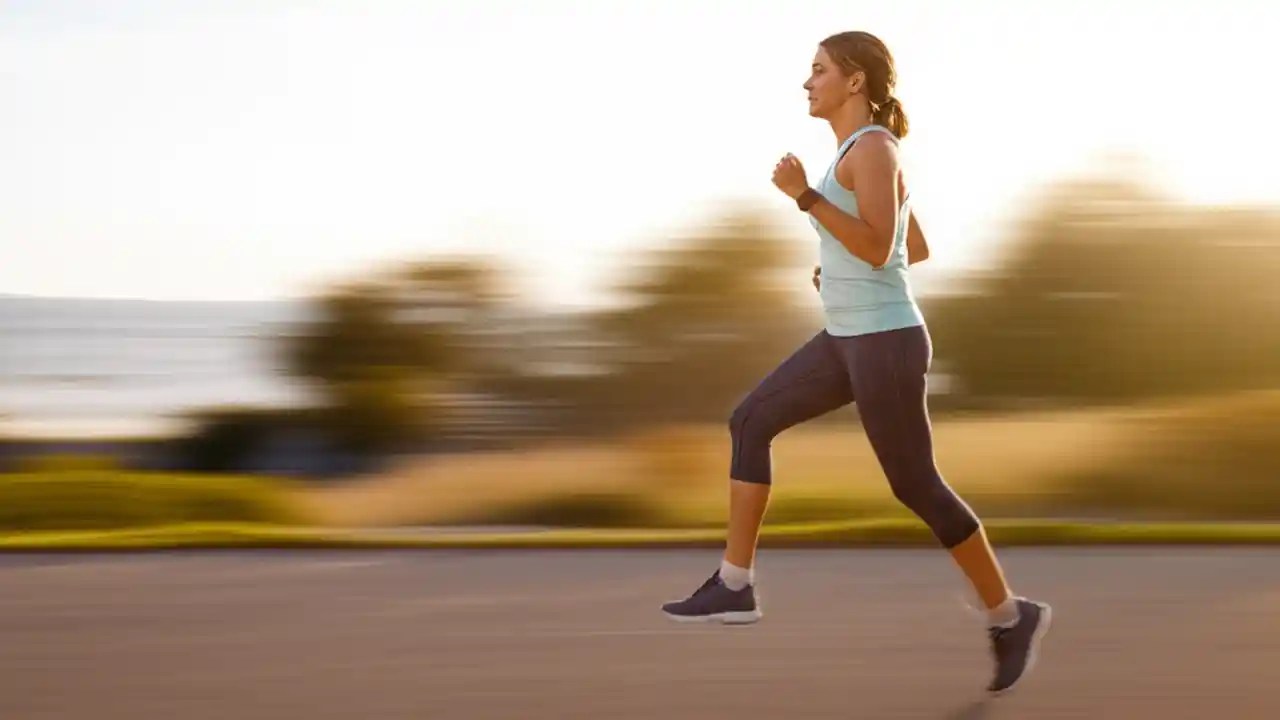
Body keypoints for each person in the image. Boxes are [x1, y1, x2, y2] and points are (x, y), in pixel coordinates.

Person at [660, 30, 1052, 695]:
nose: (806, 82)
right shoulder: (857, 151)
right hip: (847, 337)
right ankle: (734, 585)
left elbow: (879, 251)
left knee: (916, 486)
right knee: (750, 421)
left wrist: (806, 201)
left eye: (818, 71)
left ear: (855, 82)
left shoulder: (872, 148)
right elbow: (909, 246)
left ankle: (1009, 615)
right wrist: (834, 266)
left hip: (885, 343)